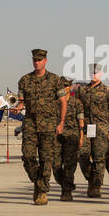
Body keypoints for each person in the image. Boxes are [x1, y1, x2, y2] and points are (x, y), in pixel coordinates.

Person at [17, 48, 70, 205]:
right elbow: (21, 101)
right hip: (30, 124)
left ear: (45, 61)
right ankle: (38, 182)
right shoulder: (24, 80)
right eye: (35, 60)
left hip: (49, 125)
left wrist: (61, 123)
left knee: (47, 159)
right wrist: (18, 107)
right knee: (27, 155)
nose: (37, 62)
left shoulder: (55, 80)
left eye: (40, 60)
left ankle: (42, 192)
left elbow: (63, 102)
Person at [78, 64, 109, 198]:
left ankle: (96, 186)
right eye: (91, 72)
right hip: (87, 129)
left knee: (99, 158)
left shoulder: (107, 91)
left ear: (101, 74)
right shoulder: (83, 91)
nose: (93, 74)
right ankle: (91, 179)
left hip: (102, 129)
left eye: (95, 72)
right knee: (82, 155)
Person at [54, 80, 85, 201]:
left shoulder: (76, 103)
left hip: (72, 136)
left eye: (66, 86)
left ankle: (66, 191)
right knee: (55, 166)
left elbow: (81, 122)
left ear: (69, 87)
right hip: (57, 136)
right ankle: (67, 185)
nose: (64, 88)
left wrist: (81, 137)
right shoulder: (55, 103)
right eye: (61, 86)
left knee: (69, 165)